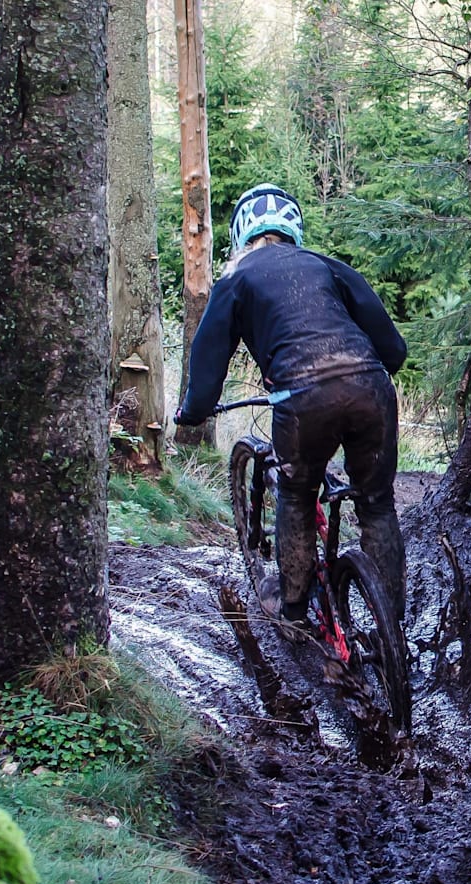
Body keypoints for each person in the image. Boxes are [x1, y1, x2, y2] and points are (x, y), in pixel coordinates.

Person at [174, 183, 407, 626]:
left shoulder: (236, 278)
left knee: (297, 495)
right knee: (377, 504)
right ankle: (391, 628)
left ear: (241, 234)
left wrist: (193, 411)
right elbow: (392, 349)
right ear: (294, 229)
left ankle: (293, 610)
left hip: (303, 398)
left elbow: (207, 361)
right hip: (371, 388)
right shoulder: (326, 265)